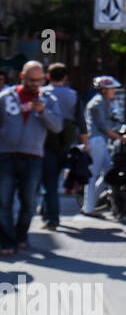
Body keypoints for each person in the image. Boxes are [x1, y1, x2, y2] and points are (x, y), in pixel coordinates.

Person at [0, 61, 63, 255]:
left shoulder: (49, 99)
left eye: (39, 80)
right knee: (4, 201)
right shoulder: (5, 97)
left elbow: (57, 127)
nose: (36, 84)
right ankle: (6, 241)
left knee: (29, 201)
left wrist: (43, 111)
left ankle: (21, 235)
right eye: (31, 80)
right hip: (6, 154)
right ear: (22, 76)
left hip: (34, 155)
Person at [40, 63, 81, 230]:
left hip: (45, 140)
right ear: (65, 77)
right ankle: (46, 211)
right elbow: (81, 120)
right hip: (66, 140)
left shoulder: (42, 94)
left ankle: (52, 217)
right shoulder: (73, 95)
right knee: (53, 179)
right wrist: (84, 142)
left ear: (48, 76)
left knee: (49, 181)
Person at [81, 76, 125, 219]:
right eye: (112, 89)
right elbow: (103, 126)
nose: (114, 92)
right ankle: (88, 207)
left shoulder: (103, 101)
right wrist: (120, 137)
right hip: (96, 140)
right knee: (93, 175)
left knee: (108, 174)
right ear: (104, 90)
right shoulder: (98, 102)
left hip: (100, 140)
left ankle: (93, 204)